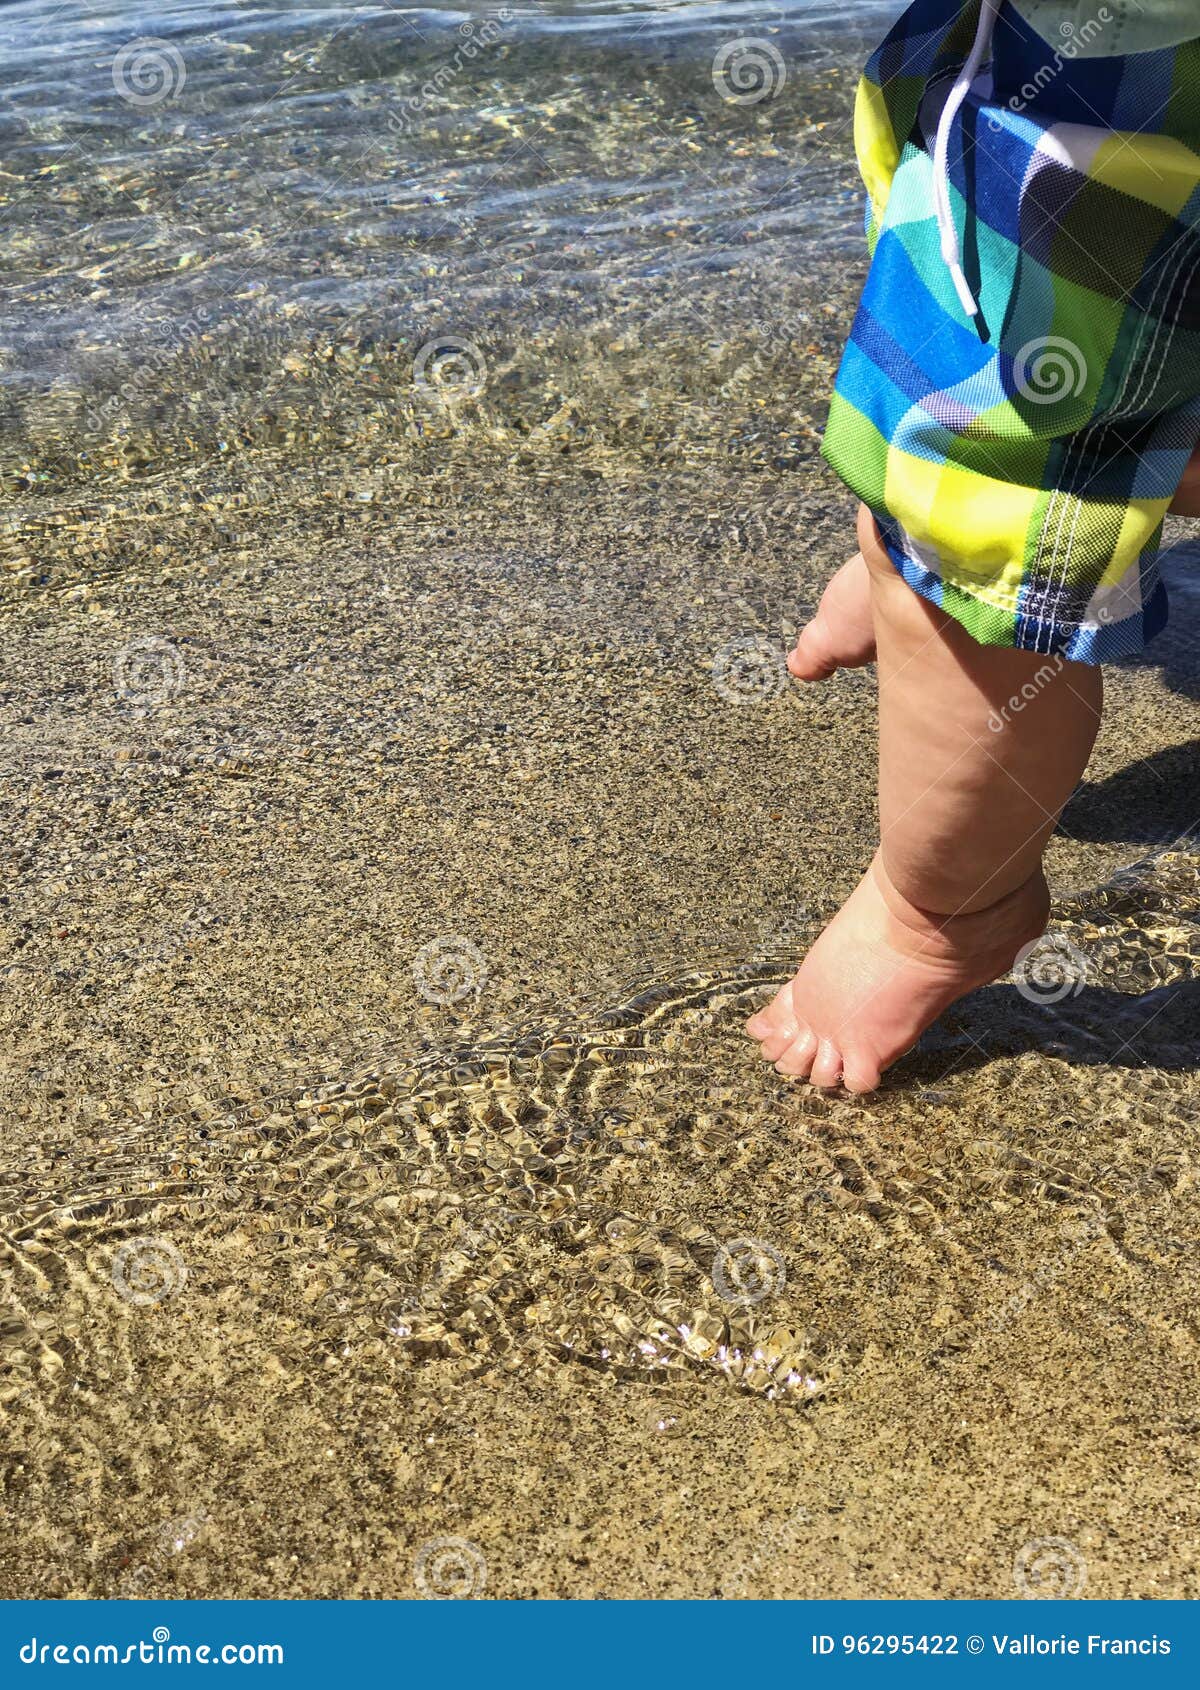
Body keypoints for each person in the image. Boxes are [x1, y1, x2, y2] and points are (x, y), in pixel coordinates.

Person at [746, 0, 1200, 1090]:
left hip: (1122, 90)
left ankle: (948, 909)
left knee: (991, 460)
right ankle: (910, 544)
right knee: (947, 247)